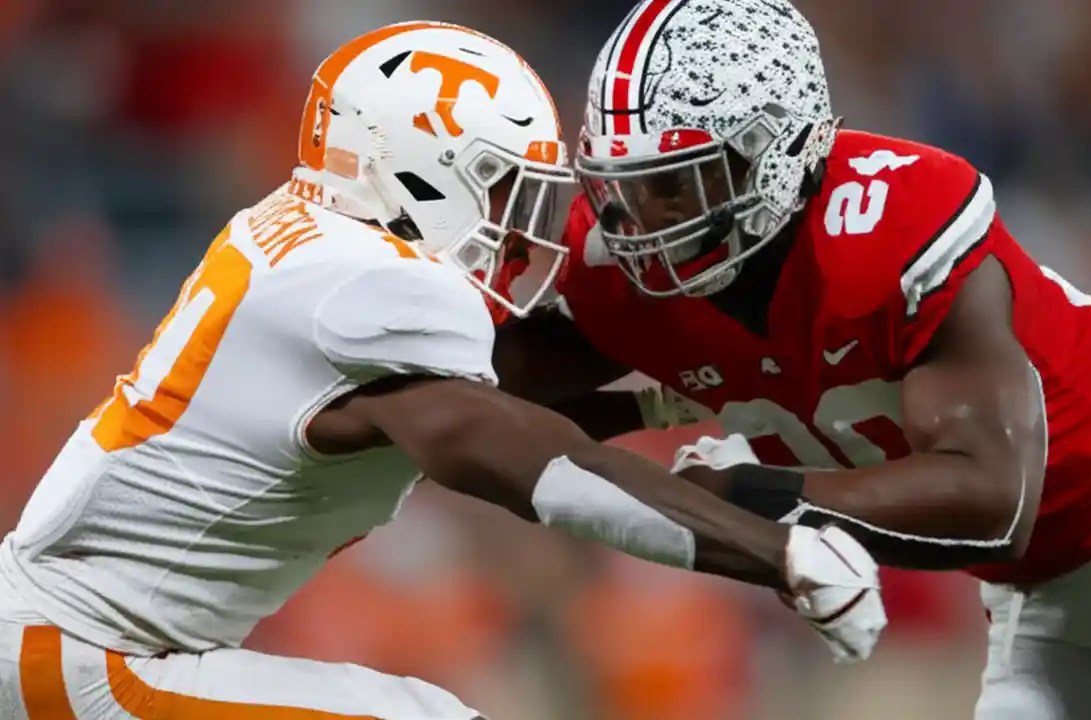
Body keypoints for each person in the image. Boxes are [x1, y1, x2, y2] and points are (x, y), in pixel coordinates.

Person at [0, 21, 885, 719]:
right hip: (84, 653)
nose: (523, 230)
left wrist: (667, 394)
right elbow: (527, 461)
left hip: (79, 641)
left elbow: (479, 409)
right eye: (504, 189)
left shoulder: (312, 251)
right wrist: (777, 554)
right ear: (419, 175)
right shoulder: (371, 286)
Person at [498, 1, 1091, 717]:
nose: (641, 224)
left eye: (678, 182)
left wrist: (756, 492)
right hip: (1037, 600)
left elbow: (994, 499)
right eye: (625, 186)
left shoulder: (888, 220)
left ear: (781, 151)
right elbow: (494, 399)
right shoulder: (619, 274)